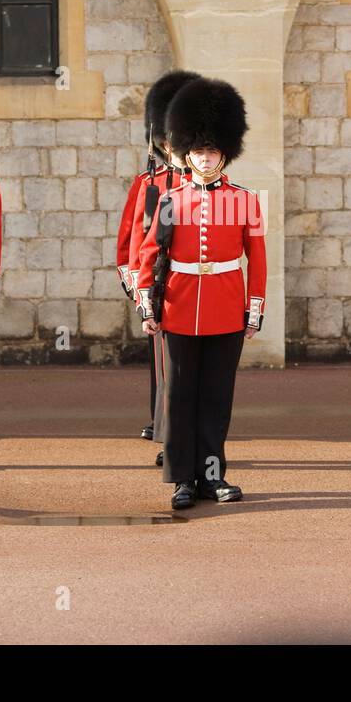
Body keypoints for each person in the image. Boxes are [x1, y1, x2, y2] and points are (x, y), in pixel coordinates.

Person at [135, 77, 266, 510]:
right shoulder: (170, 200)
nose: (204, 158)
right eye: (197, 151)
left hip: (226, 308)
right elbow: (148, 254)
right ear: (186, 154)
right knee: (179, 397)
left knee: (216, 398)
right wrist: (146, 305)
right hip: (179, 307)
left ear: (223, 154)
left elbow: (257, 259)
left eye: (211, 151)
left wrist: (255, 309)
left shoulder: (246, 200)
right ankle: (181, 479)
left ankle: (212, 476)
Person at [115, 70, 200, 458]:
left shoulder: (204, 186)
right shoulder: (148, 184)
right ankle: (169, 435)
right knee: (165, 371)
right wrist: (141, 289)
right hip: (161, 287)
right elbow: (131, 242)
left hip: (194, 288)